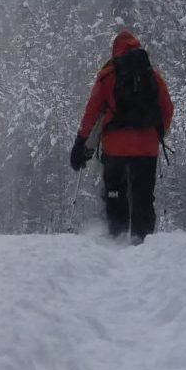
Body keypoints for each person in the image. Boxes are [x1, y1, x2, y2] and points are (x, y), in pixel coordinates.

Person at [69, 29, 174, 243]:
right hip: (146, 148)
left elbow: (92, 113)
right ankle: (142, 241)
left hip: (115, 148)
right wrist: (158, 133)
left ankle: (117, 238)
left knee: (114, 192)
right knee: (143, 196)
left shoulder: (108, 76)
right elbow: (167, 108)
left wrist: (81, 143)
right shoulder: (152, 76)